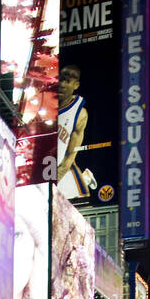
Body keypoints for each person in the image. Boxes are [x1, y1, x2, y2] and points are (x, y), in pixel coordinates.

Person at [56, 64, 91, 200]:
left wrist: (55, 178)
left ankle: (86, 177)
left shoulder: (80, 113)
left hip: (63, 166)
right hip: (44, 163)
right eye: (61, 79)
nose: (62, 84)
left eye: (68, 81)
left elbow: (71, 155)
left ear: (76, 85)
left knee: (80, 198)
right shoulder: (43, 101)